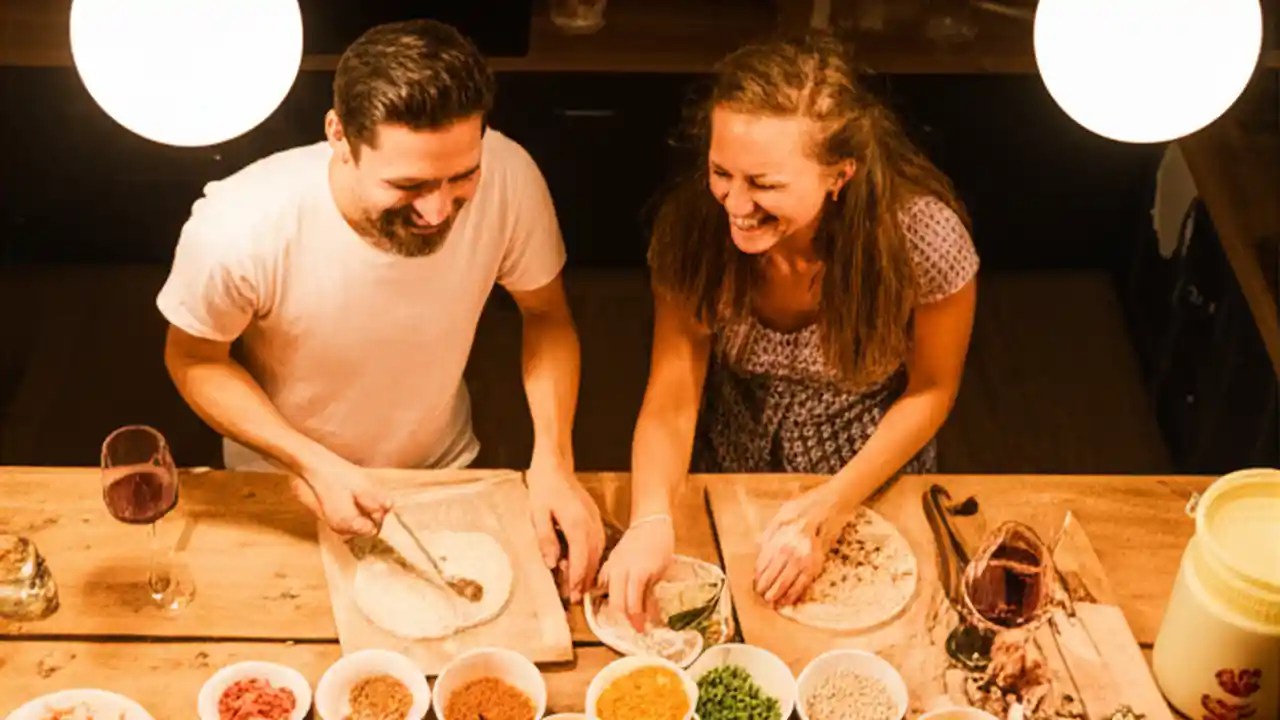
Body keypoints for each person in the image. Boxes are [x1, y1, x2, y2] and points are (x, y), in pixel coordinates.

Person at [156, 19, 605, 601]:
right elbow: (193, 359)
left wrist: (554, 461)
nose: (439, 210)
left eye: (462, 176)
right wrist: (309, 462)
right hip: (280, 483)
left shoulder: (510, 176)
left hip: (441, 469)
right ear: (339, 136)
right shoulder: (240, 225)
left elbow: (545, 316)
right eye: (409, 184)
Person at [600, 32, 979, 627]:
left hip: (870, 475)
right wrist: (651, 516)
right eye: (722, 171)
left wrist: (830, 505)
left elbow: (932, 390)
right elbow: (673, 389)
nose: (735, 203)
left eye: (765, 183)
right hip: (730, 462)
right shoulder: (691, 231)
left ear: (840, 174)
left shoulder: (921, 239)